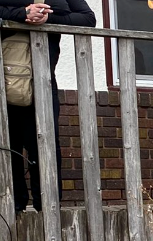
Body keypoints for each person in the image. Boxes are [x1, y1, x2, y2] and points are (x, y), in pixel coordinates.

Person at [0, 0, 95, 212]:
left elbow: (88, 19)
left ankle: (48, 207)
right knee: (9, 145)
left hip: (43, 82)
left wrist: (47, 18)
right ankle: (15, 207)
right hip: (5, 82)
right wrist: (23, 13)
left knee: (45, 146)